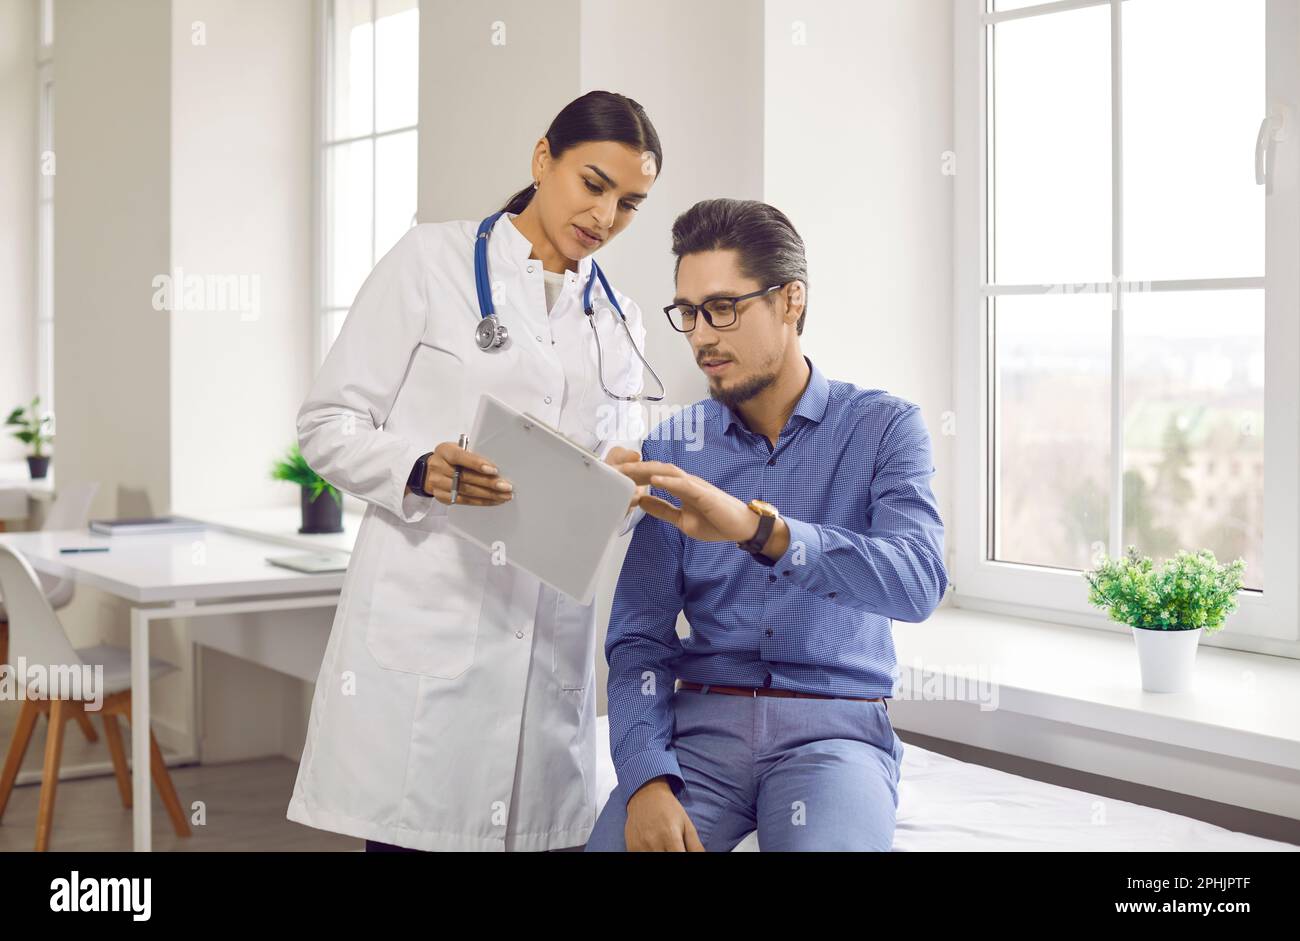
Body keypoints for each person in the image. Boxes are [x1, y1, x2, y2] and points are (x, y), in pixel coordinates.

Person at [286, 91, 663, 851]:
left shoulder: (620, 316)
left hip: (545, 655)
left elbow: (612, 484)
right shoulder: (430, 261)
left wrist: (625, 490)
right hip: (429, 633)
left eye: (629, 204)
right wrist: (421, 467)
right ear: (542, 159)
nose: (605, 216)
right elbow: (325, 426)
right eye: (594, 184)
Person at [587, 198, 948, 851]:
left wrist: (763, 532)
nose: (701, 335)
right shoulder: (677, 445)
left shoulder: (886, 428)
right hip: (701, 738)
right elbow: (638, 639)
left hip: (835, 734)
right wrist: (644, 779)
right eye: (689, 313)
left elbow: (918, 582)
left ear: (791, 301)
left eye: (724, 308)